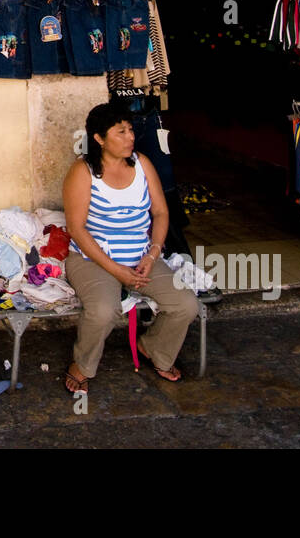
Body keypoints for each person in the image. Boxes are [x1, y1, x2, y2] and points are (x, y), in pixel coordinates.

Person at [62, 102, 199, 393]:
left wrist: (152, 254)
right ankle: (82, 366)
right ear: (99, 138)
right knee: (102, 310)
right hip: (92, 260)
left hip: (140, 255)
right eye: (120, 132)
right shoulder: (82, 171)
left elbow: (161, 213)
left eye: (131, 130)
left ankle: (153, 349)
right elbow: (76, 228)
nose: (130, 137)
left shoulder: (143, 164)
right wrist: (116, 271)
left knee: (185, 304)